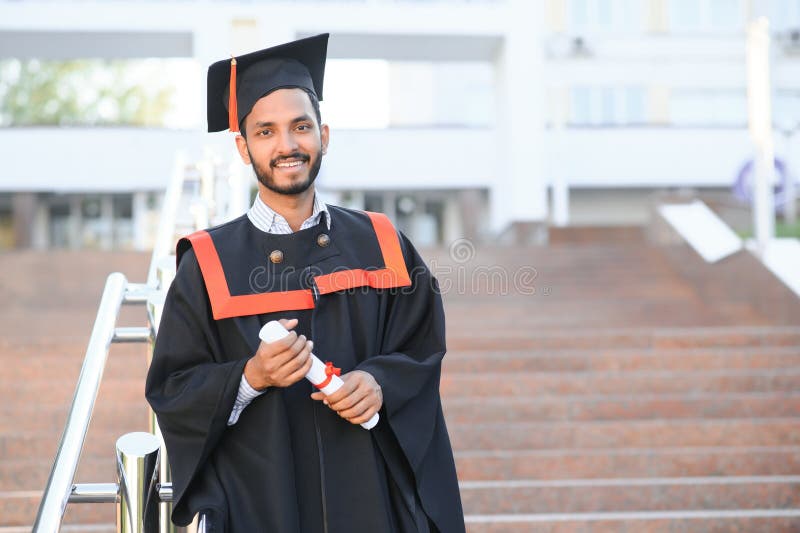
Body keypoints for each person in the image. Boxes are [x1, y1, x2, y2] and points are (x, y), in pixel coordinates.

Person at [145, 33, 465, 533]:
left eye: (301, 127)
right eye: (266, 131)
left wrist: (380, 383)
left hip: (371, 496)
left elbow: (421, 349)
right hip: (260, 502)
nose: (287, 145)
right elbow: (173, 388)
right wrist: (250, 377)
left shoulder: (383, 243)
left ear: (324, 134)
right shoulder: (207, 262)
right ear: (243, 146)